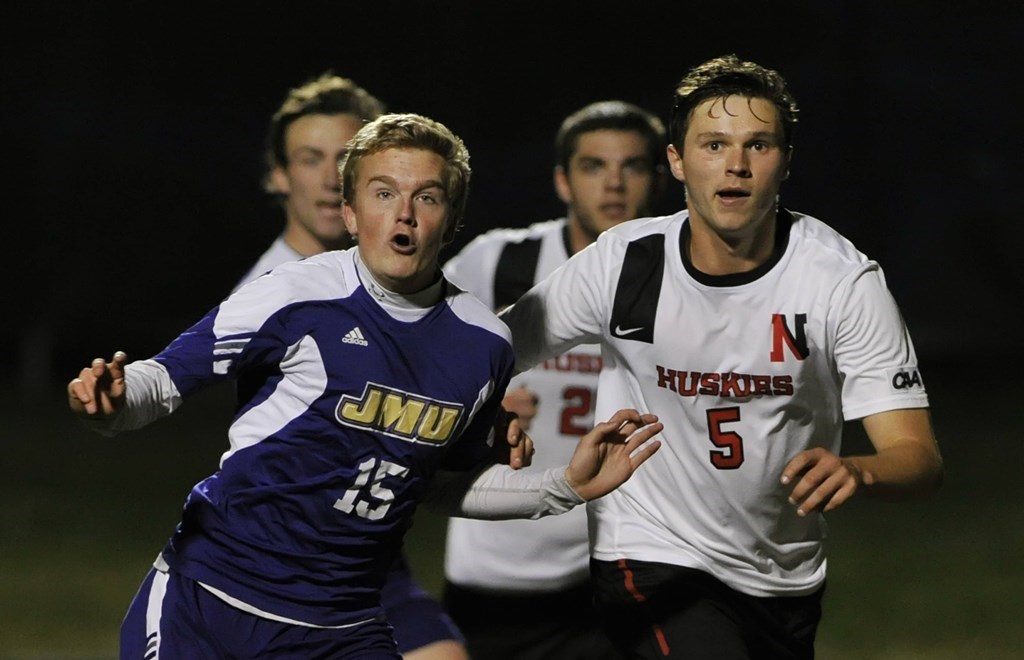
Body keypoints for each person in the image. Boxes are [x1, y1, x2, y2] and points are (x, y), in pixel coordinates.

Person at [67, 112, 663, 660]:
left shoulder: (484, 345)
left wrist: (564, 486)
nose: (404, 214)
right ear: (351, 213)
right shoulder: (294, 293)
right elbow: (162, 380)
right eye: (383, 193)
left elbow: (440, 486)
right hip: (208, 603)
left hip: (342, 628)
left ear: (451, 220)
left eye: (426, 197)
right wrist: (111, 403)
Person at [498, 54, 944, 659]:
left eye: (758, 145)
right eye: (714, 145)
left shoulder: (839, 282)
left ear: (786, 160)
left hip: (782, 574)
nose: (736, 165)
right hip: (648, 551)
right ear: (677, 161)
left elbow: (917, 456)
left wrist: (860, 470)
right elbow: (493, 349)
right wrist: (485, 405)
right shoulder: (624, 263)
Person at [235, 71, 468, 660]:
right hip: (287, 569)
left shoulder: (400, 283)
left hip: (371, 562)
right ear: (277, 175)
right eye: (308, 158)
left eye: (342, 158)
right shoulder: (268, 296)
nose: (326, 176)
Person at [440, 99, 667, 659]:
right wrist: (476, 404)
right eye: (594, 166)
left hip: (622, 567)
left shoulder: (682, 275)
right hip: (499, 567)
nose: (613, 184)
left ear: (659, 178)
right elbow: (414, 368)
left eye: (632, 166)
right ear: (563, 181)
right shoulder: (499, 262)